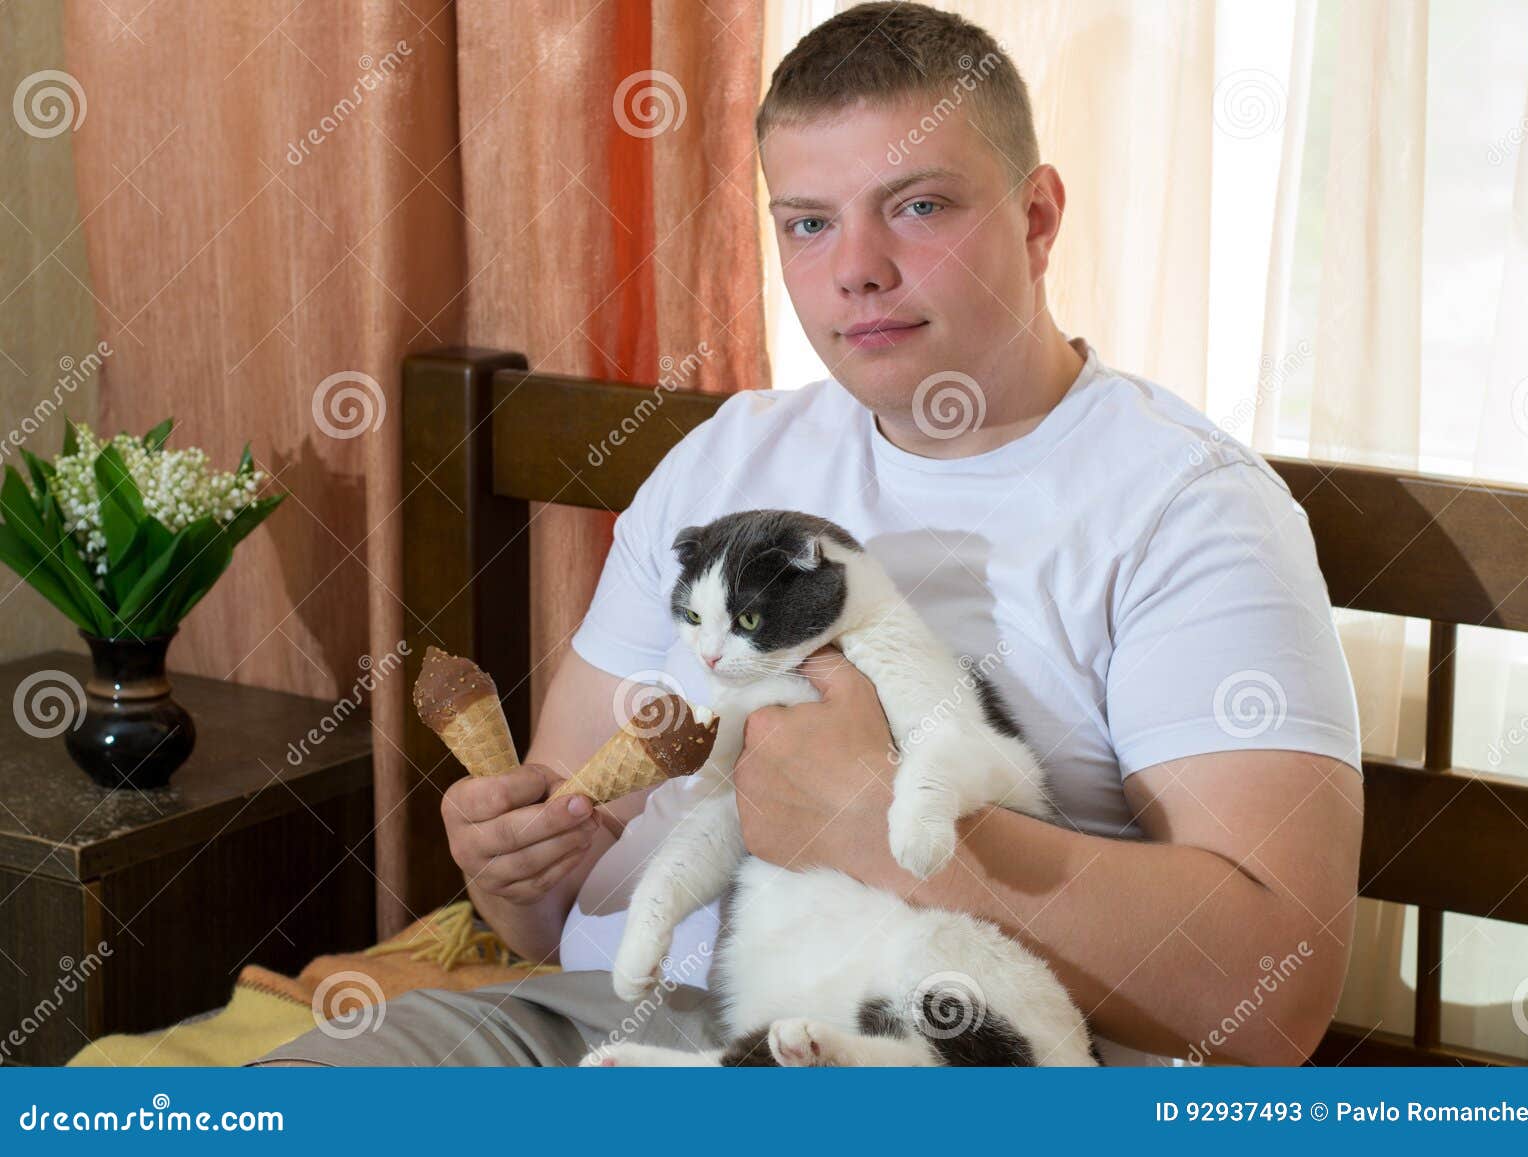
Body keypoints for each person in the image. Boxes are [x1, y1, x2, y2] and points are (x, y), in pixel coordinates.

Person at [251, 1, 1361, 1069]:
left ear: (1036, 219)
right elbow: (554, 899)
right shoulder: (724, 461)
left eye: (918, 207)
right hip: (597, 1027)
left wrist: (866, 818)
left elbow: (1276, 994)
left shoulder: (1186, 508)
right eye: (809, 223)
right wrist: (514, 870)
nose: (856, 267)